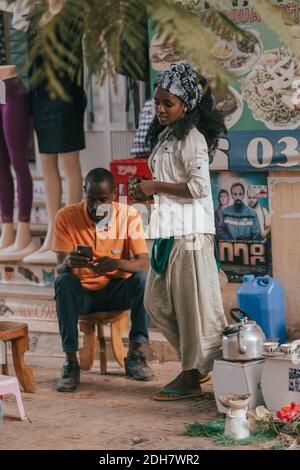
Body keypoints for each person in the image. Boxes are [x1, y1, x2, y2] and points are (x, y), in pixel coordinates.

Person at [130, 63, 228, 401]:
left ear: (185, 104)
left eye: (167, 103)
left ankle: (191, 373)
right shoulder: (168, 135)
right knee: (156, 301)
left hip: (191, 236)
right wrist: (148, 192)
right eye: (157, 102)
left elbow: (199, 188)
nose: (160, 109)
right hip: (169, 232)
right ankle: (197, 365)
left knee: (191, 308)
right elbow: (172, 185)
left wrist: (155, 185)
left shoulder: (192, 138)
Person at [53, 168, 154, 392]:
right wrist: (69, 262)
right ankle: (71, 361)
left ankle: (136, 354)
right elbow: (59, 269)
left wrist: (116, 263)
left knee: (142, 279)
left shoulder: (129, 215)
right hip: (83, 295)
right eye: (91, 199)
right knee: (64, 282)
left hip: (115, 292)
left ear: (113, 197)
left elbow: (143, 261)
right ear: (83, 193)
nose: (97, 205)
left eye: (103, 199)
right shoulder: (66, 216)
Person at [23, 0, 85, 264]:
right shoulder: (35, 13)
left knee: (69, 162)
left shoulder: (73, 12)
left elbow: (73, 60)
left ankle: (68, 232)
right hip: (41, 96)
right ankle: (51, 231)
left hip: (66, 94)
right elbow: (30, 59)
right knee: (46, 161)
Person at [0, 1, 35, 261]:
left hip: (12, 84)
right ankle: (7, 228)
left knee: (18, 161)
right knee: (0, 164)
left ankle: (24, 227)